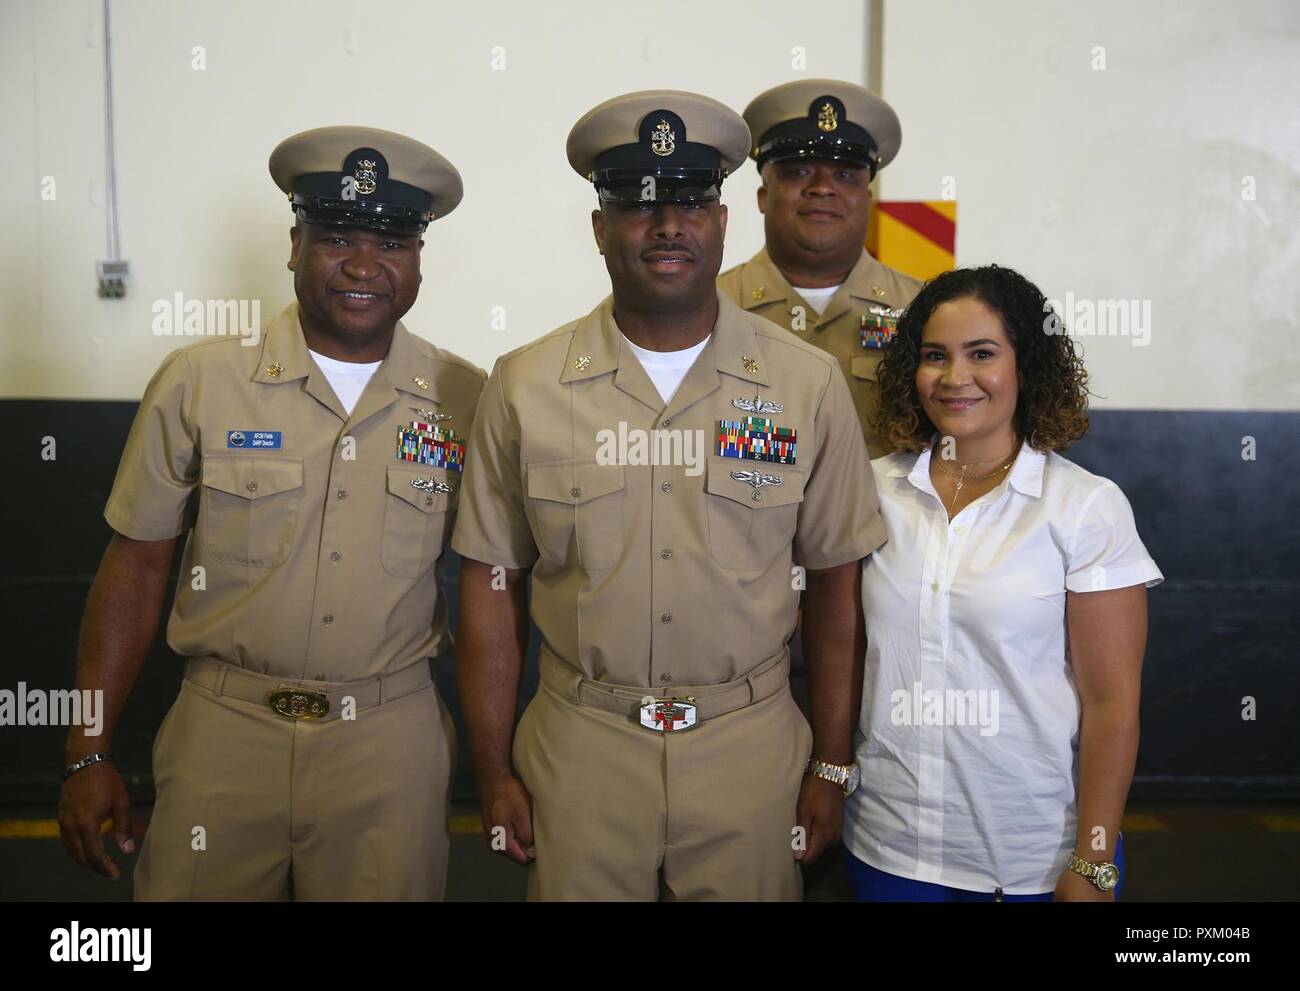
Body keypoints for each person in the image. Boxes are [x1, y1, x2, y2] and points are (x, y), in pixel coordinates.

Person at [451, 90, 884, 900]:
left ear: (722, 222)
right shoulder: (525, 384)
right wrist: (492, 768)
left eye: (688, 201)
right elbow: (489, 586)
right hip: (580, 745)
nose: (666, 223)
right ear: (599, 228)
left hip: (749, 749)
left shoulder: (805, 383)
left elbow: (837, 584)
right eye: (635, 203)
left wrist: (831, 761)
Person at [56, 126, 485, 900]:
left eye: (389, 241)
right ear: (294, 245)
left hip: (389, 741)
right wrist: (88, 750)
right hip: (225, 732)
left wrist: (505, 769)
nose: (362, 264)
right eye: (337, 238)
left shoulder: (468, 399)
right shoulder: (200, 381)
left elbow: (500, 583)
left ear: (419, 259)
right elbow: (134, 568)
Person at [844, 264, 1161, 901]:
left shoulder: (1084, 507)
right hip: (886, 845)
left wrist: (1093, 861)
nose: (955, 377)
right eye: (936, 356)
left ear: (1026, 366)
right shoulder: (871, 490)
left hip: (1028, 859)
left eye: (982, 354)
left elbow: (1112, 704)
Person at [718, 79, 923, 457]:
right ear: (763, 196)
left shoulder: (924, 311)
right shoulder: (710, 310)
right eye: (798, 172)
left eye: (844, 175)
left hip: (882, 517)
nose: (822, 188)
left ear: (867, 198)